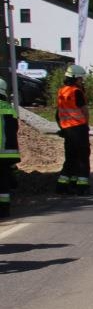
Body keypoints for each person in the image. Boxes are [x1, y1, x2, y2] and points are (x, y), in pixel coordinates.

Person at [55, 65, 90, 195]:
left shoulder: (61, 91)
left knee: (70, 158)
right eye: (80, 79)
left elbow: (58, 113)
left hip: (67, 129)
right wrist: (86, 125)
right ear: (75, 78)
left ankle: (62, 185)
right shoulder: (76, 92)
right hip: (79, 128)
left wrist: (62, 127)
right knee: (82, 158)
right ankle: (82, 186)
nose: (82, 81)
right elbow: (84, 111)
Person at [0, 77, 20, 218]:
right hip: (7, 153)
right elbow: (15, 128)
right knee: (3, 182)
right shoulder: (9, 108)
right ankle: (4, 209)